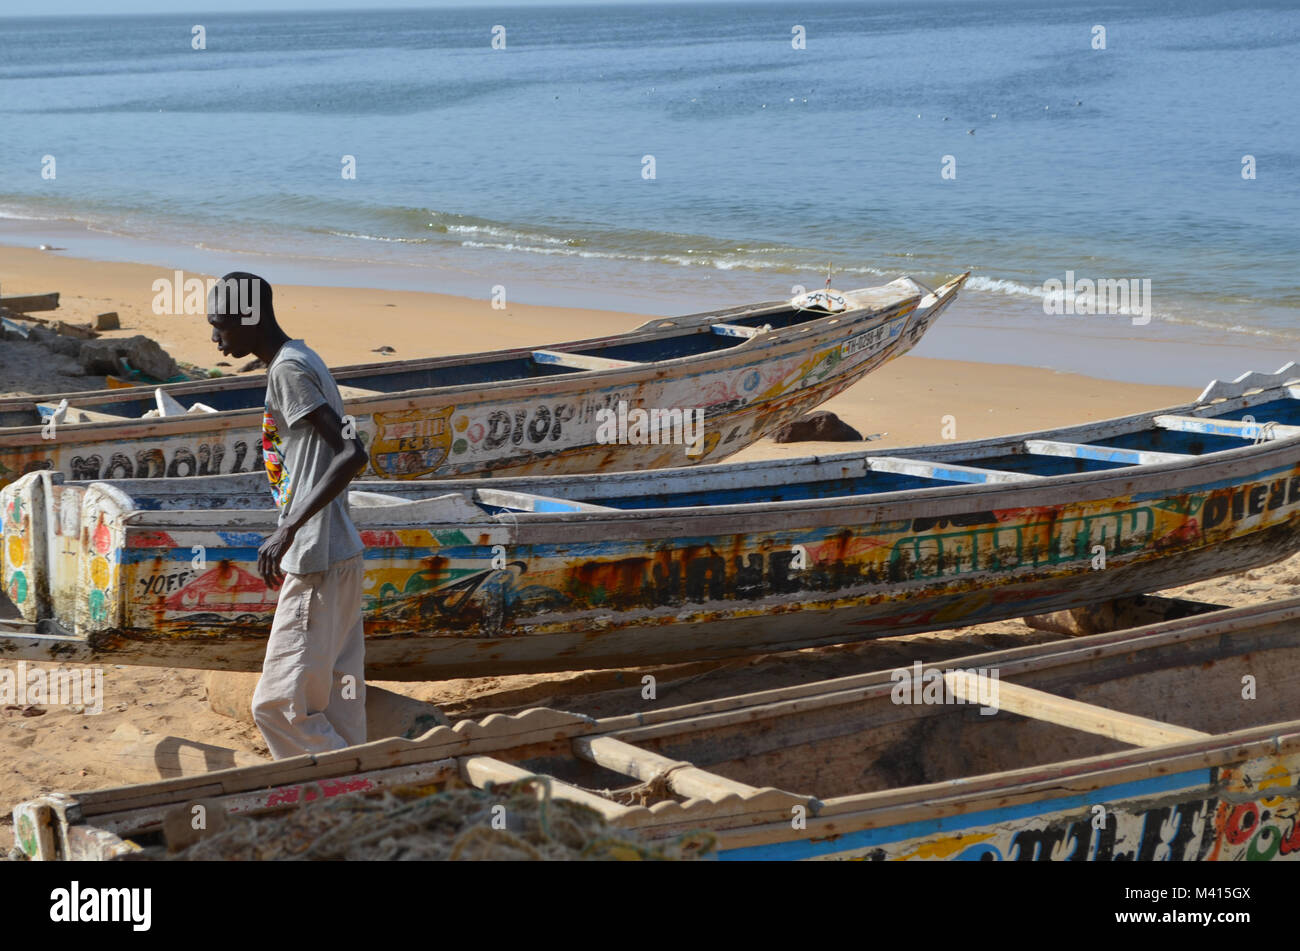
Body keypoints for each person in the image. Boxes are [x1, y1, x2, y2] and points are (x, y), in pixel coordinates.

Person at [206, 272, 369, 759]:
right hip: (341, 551)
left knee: (275, 705)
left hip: (317, 554)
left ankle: (335, 785)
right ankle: (354, 796)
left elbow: (351, 453)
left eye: (222, 326)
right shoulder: (301, 357)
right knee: (337, 701)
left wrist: (288, 528)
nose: (215, 339)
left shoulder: (288, 371)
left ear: (251, 319)